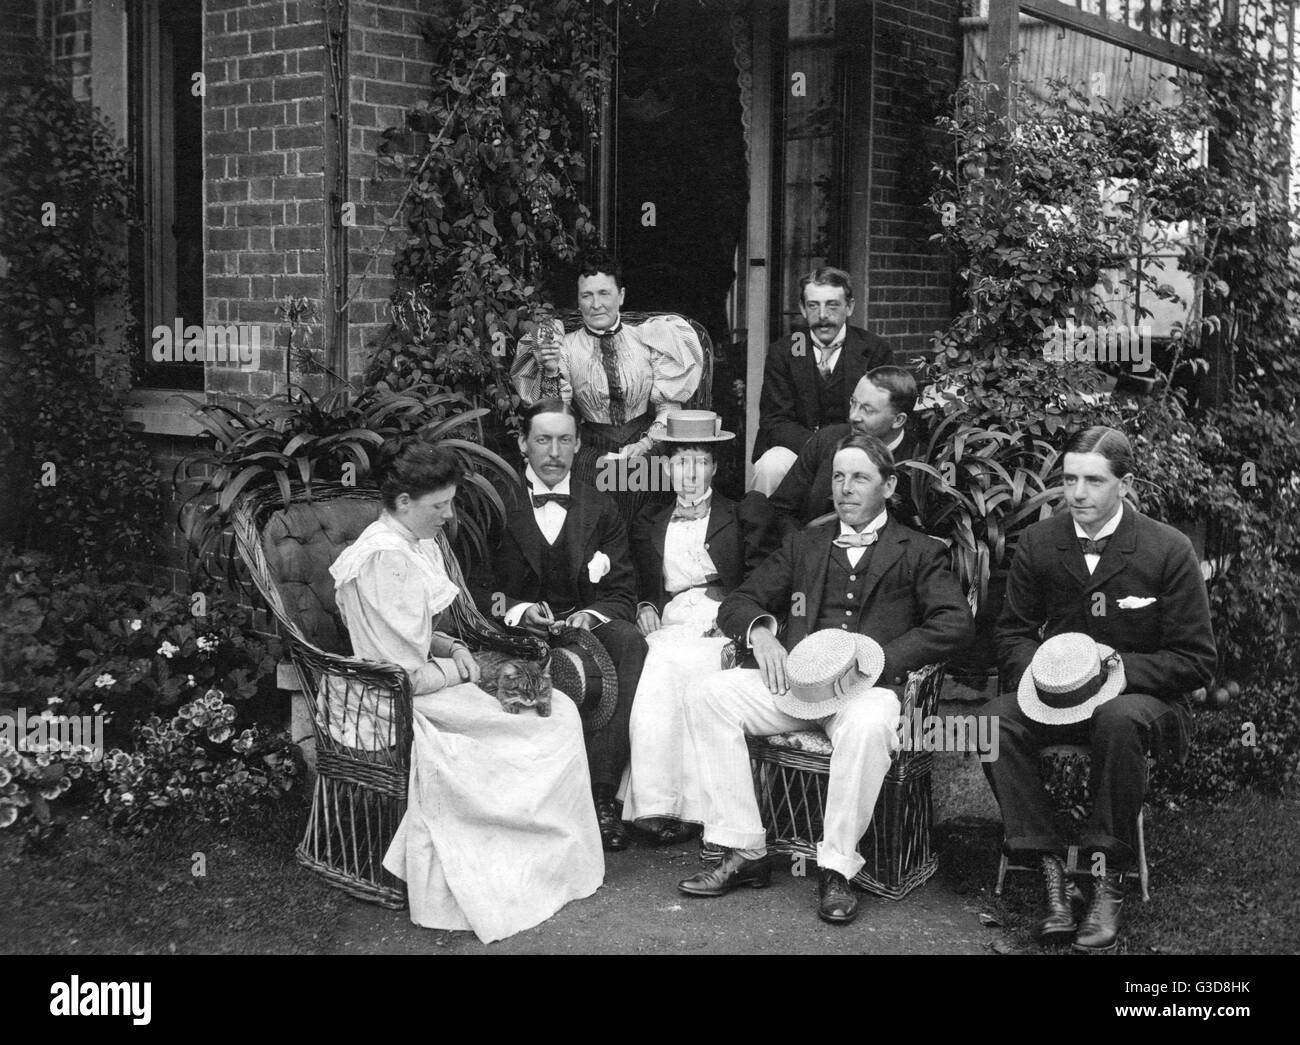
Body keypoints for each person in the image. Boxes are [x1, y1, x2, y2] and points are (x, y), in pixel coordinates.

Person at [677, 434, 972, 924]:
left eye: (859, 477)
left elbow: (953, 623)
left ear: (889, 485)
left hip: (866, 691)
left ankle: (836, 867)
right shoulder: (806, 544)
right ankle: (745, 849)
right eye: (838, 476)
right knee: (707, 694)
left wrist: (875, 659)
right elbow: (739, 601)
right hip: (798, 687)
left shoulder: (919, 550)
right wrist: (762, 635)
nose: (845, 488)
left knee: (869, 724)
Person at [324, 435, 603, 943]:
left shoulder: (410, 545)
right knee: (553, 723)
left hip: (424, 680)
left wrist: (452, 647)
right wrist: (466, 669)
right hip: (396, 699)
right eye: (440, 505)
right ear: (404, 502)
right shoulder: (386, 559)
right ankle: (521, 868)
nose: (449, 516)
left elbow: (412, 635)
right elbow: (404, 673)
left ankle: (543, 859)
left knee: (554, 712)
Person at [982, 425, 1216, 953]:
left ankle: (1104, 878)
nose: (1078, 493)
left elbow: (1196, 660)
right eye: (1069, 480)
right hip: (1056, 697)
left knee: (1117, 718)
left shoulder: (1167, 548)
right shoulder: (1042, 543)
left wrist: (1114, 671)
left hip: (1143, 699)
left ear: (1124, 484)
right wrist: (1045, 673)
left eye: (1093, 480)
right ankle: (1052, 874)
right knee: (992, 721)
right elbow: (1012, 632)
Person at [469, 399, 648, 852]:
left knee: (629, 641)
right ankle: (526, 805)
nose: (554, 452)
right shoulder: (496, 502)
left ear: (578, 445)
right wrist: (516, 608)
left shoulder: (601, 507)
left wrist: (592, 615)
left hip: (581, 628)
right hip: (512, 628)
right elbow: (472, 586)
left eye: (564, 440)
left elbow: (623, 592)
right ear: (523, 445)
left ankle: (602, 796)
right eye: (543, 440)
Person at [618, 410, 771, 844]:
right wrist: (644, 604)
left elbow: (764, 574)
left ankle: (700, 808)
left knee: (686, 666)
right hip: (672, 618)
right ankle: (656, 802)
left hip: (724, 615)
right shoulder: (649, 519)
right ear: (665, 466)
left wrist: (736, 615)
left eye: (700, 460)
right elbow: (633, 579)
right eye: (680, 461)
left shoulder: (742, 513)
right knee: (656, 665)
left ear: (715, 466)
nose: (689, 472)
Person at [510, 249, 705, 523]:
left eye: (604, 293)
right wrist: (552, 371)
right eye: (586, 295)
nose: (596, 304)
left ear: (621, 296)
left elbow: (668, 405)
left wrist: (648, 442)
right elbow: (554, 415)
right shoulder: (563, 347)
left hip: (647, 442)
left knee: (648, 484)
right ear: (578, 300)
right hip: (591, 450)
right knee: (596, 498)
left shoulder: (649, 339)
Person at [749, 267, 893, 496]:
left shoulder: (874, 349)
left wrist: (843, 450)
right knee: (771, 466)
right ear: (803, 309)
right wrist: (818, 449)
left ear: (850, 307)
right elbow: (775, 420)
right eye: (813, 305)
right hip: (798, 449)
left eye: (832, 305)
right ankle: (761, 529)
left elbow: (881, 416)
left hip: (856, 448)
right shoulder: (785, 350)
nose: (823, 315)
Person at [766, 365, 921, 536]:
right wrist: (802, 547)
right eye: (853, 403)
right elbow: (781, 511)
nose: (854, 416)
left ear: (898, 420)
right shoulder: (826, 440)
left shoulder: (920, 465)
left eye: (867, 410)